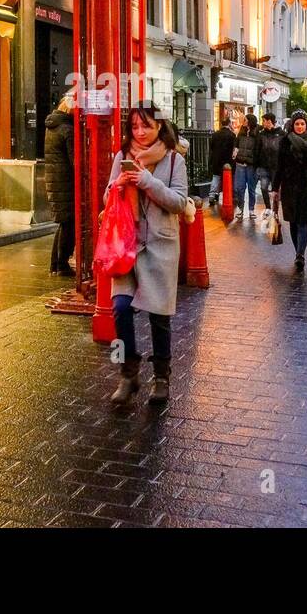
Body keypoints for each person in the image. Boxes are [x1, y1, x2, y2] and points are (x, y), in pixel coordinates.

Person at [106, 106, 189, 406]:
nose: (140, 133)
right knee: (120, 308)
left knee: (159, 316)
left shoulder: (173, 160)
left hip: (159, 244)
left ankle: (162, 377)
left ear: (159, 127)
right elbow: (107, 197)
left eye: (147, 126)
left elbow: (179, 202)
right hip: (126, 245)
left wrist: (147, 182)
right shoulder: (122, 157)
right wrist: (117, 187)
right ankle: (128, 373)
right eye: (135, 127)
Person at [274, 109, 307, 269]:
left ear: (306, 124)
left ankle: (300, 254)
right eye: (297, 124)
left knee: (303, 221)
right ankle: (298, 252)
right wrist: (275, 188)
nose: (300, 126)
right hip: (289, 185)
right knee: (293, 222)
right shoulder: (285, 141)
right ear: (292, 125)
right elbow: (279, 166)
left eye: (302, 123)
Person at [43, 94, 76, 276]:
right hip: (67, 183)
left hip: (55, 181)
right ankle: (61, 265)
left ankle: (55, 264)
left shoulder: (52, 127)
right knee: (69, 224)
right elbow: (74, 162)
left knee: (64, 223)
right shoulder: (67, 130)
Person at [233, 113, 261, 221]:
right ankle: (240, 209)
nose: (243, 121)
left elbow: (259, 148)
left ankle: (251, 210)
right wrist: (235, 154)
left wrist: (256, 161)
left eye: (245, 120)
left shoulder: (257, 132)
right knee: (239, 188)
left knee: (251, 189)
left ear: (250, 121)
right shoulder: (241, 131)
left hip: (251, 165)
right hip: (240, 163)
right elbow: (236, 144)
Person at [256, 113, 283, 216]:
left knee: (275, 190)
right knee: (263, 187)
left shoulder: (281, 134)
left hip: (276, 167)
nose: (263, 123)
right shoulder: (261, 134)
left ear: (269, 121)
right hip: (264, 165)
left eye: (264, 121)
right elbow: (257, 148)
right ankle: (267, 207)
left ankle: (275, 210)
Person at [207, 114, 236, 205]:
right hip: (228, 160)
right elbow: (234, 149)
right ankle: (228, 195)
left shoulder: (215, 134)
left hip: (216, 159)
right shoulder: (232, 135)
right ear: (229, 123)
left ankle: (212, 195)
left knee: (216, 177)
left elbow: (211, 147)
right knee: (227, 178)